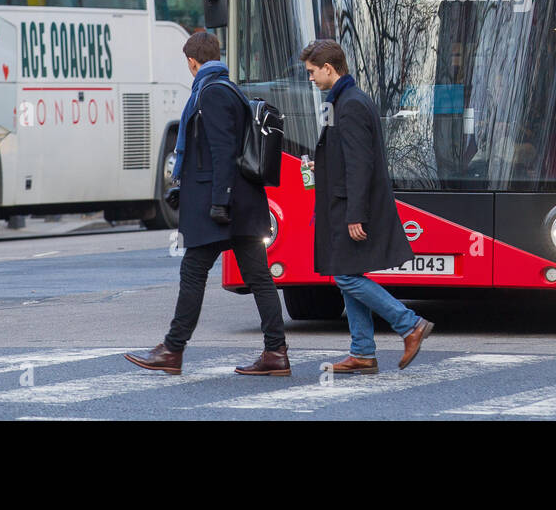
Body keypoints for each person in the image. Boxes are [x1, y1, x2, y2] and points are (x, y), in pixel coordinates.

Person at [125, 32, 289, 377]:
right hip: (240, 204)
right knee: (259, 278)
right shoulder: (225, 87)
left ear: (192, 62)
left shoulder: (211, 93)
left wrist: (218, 203)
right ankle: (275, 352)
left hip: (222, 208)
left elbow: (221, 152)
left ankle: (173, 349)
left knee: (194, 273)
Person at [301, 39, 433, 374]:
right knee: (349, 272)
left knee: (345, 274)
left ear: (329, 69)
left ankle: (410, 324)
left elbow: (362, 163)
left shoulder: (351, 103)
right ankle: (362, 351)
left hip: (350, 207)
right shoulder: (342, 100)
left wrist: (355, 214)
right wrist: (324, 165)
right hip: (343, 203)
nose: (311, 79)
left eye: (313, 73)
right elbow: (346, 156)